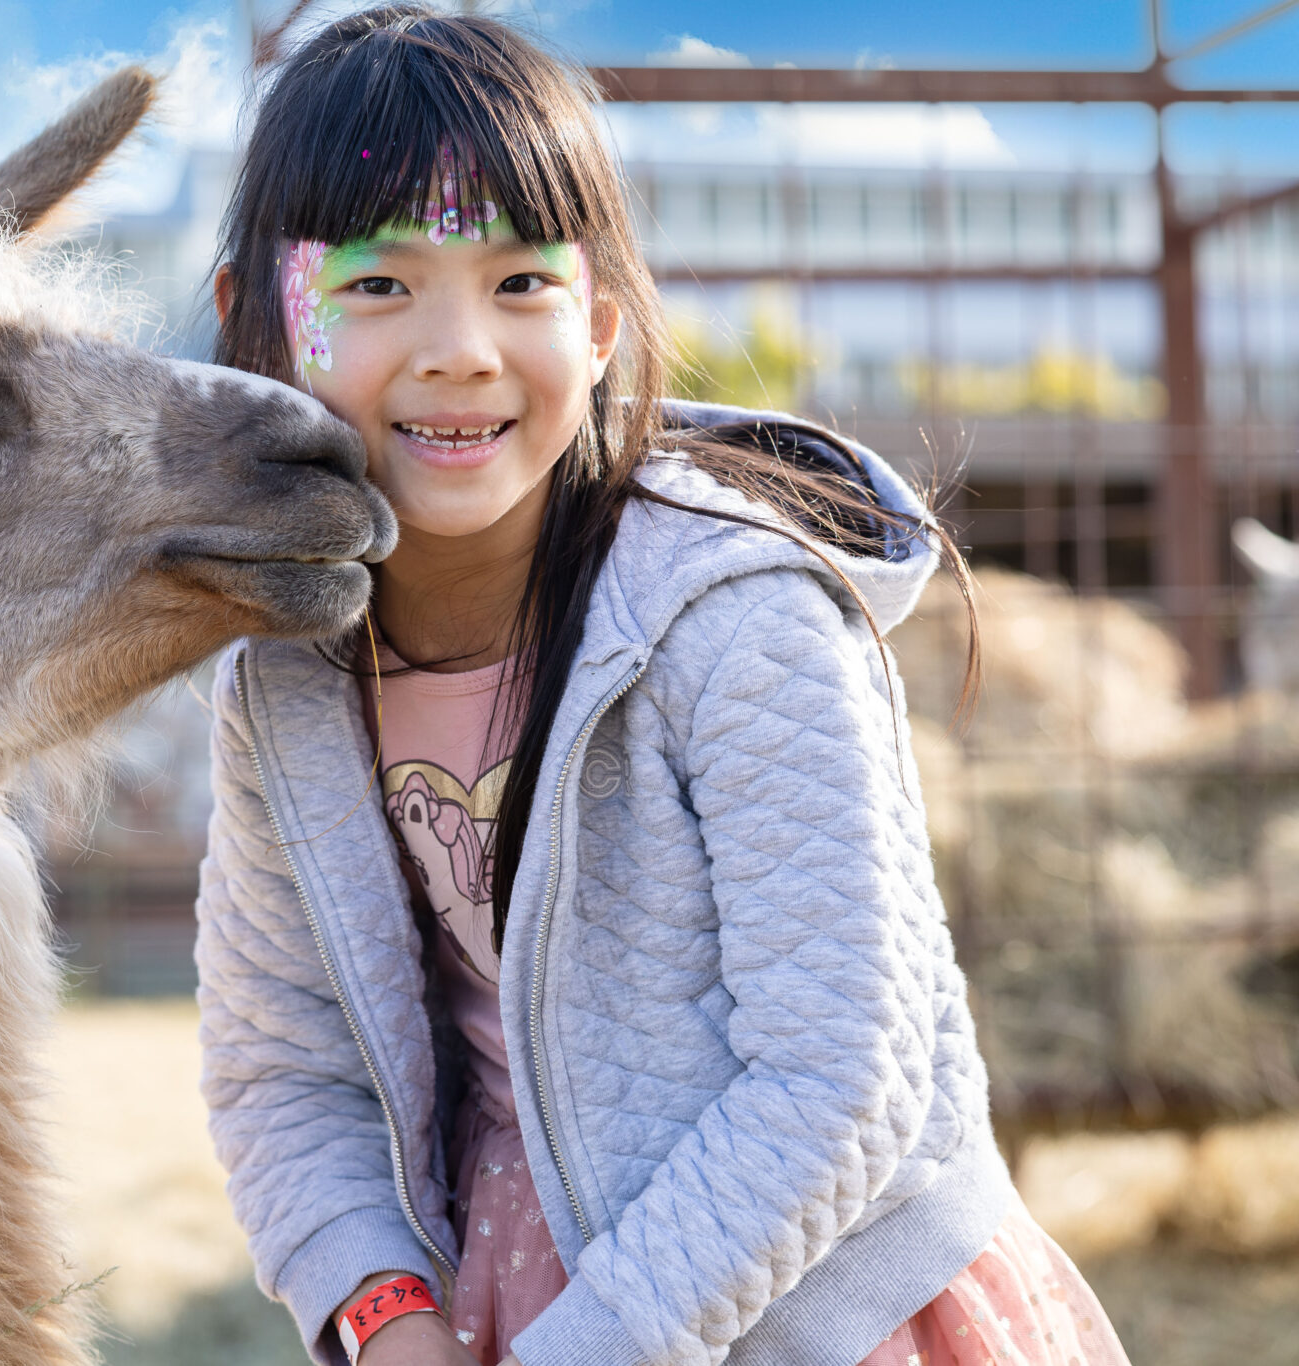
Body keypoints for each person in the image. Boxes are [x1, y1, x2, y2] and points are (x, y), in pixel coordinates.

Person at [193, 8, 1132, 1366]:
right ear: (252, 319)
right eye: (376, 284)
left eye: (522, 284)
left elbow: (837, 1079)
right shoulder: (282, 680)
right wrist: (384, 1308)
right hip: (509, 1298)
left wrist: (602, 1340)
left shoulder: (735, 620)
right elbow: (283, 1070)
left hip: (818, 1301)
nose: (460, 347)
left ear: (604, 328)